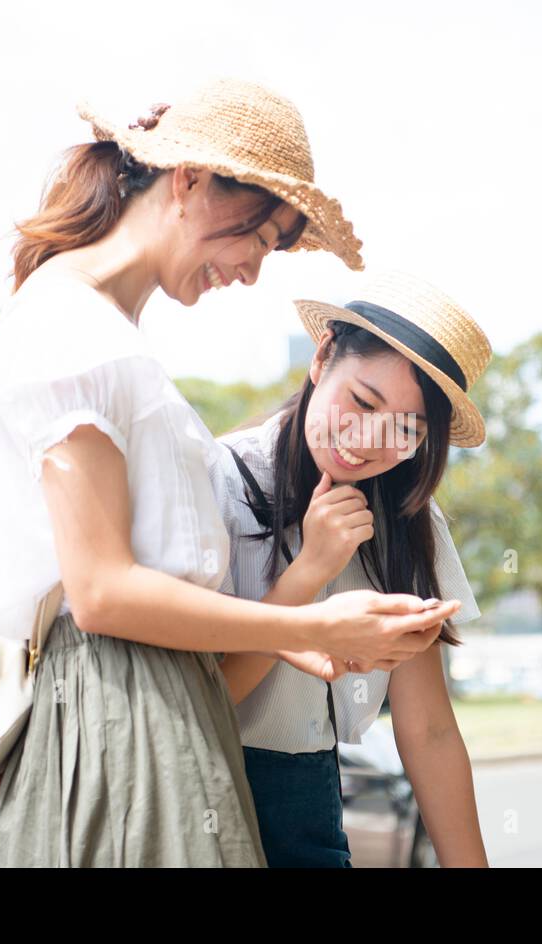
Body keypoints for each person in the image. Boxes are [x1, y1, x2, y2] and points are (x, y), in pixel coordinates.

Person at [0, 81, 460, 867]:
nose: (254, 271)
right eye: (258, 235)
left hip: (159, 716)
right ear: (188, 179)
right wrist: (307, 624)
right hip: (122, 718)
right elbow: (103, 591)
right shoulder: (69, 325)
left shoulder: (101, 328)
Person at [217, 271, 492, 867]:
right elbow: (199, 702)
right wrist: (310, 570)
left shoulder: (406, 519)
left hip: (310, 801)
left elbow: (430, 731)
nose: (367, 440)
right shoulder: (219, 483)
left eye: (405, 430)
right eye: (362, 402)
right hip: (205, 797)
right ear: (322, 357)